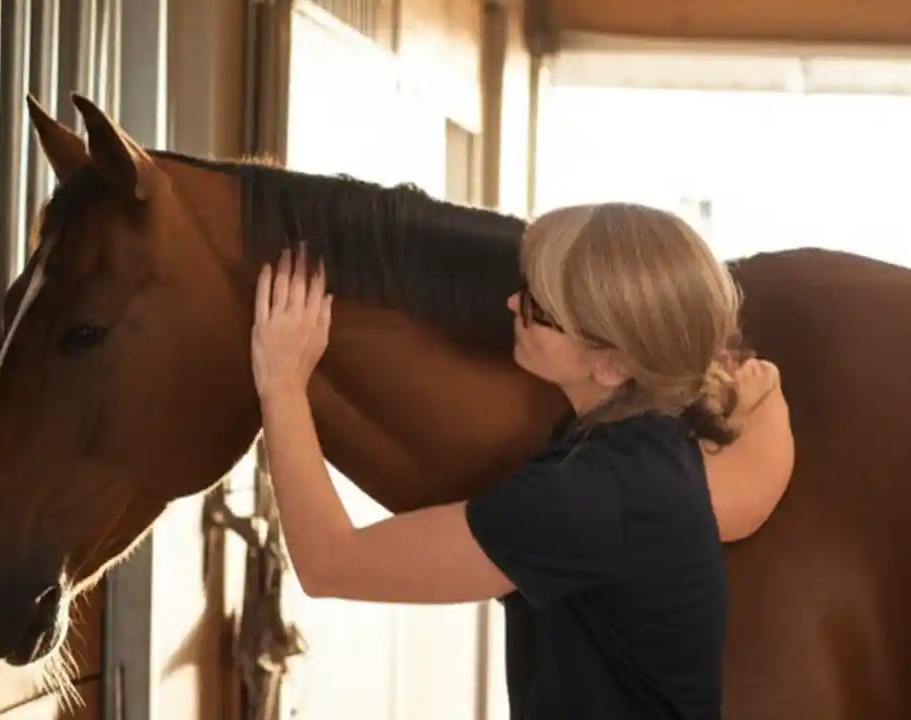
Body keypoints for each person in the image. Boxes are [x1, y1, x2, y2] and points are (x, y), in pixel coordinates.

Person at [251, 202, 795, 719]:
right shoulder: (652, 443)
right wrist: (763, 402)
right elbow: (747, 492)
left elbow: (330, 563)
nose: (514, 305)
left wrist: (281, 382)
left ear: (609, 366)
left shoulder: (586, 498)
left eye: (539, 309)